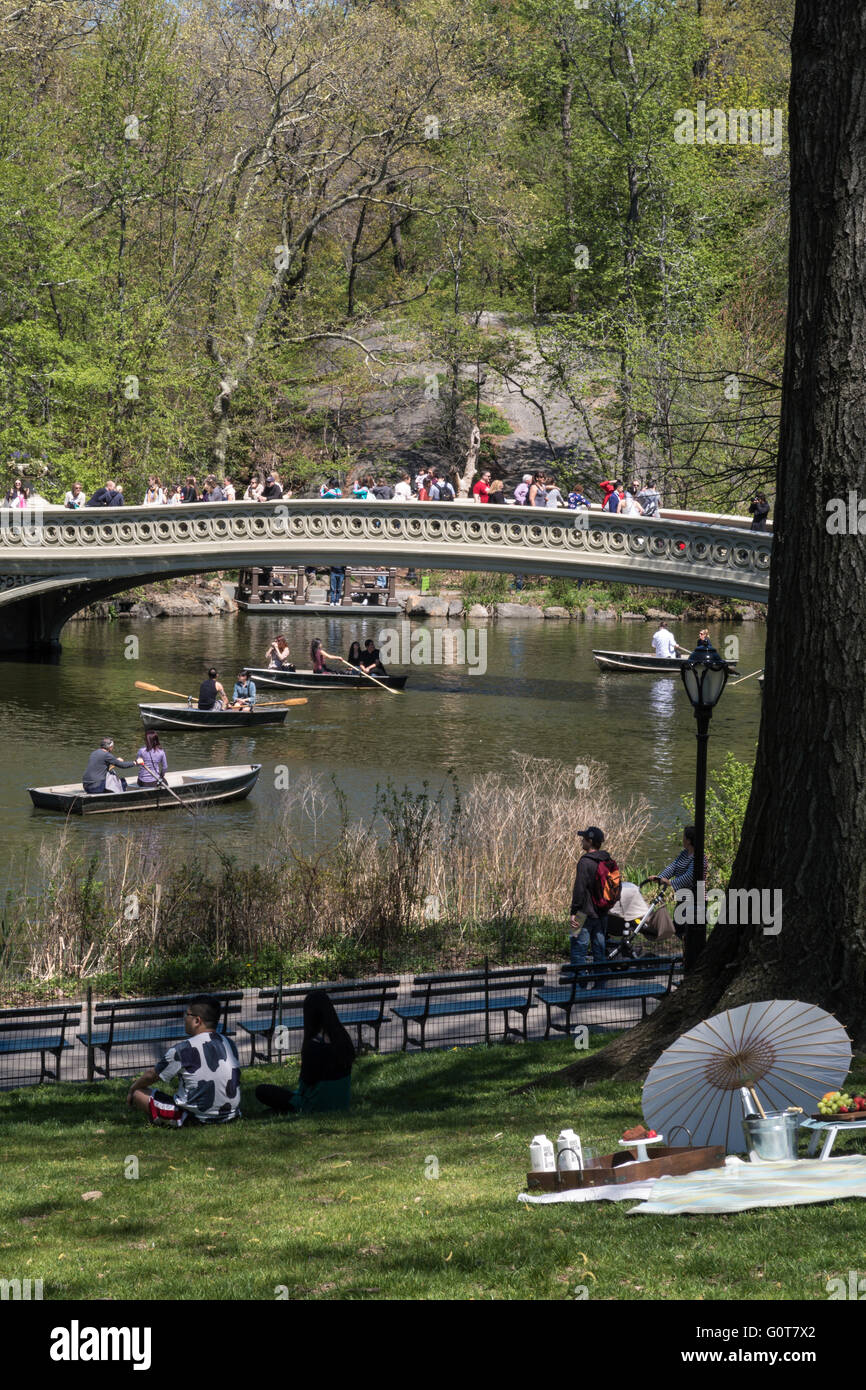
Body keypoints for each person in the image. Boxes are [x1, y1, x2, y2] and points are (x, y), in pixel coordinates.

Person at [127, 994, 241, 1128]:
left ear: (197, 1021)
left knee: (138, 1094)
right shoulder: (229, 1044)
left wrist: (132, 1088)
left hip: (195, 1118)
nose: (184, 1018)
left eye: (187, 1014)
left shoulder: (182, 1049)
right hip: (231, 1115)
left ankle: (170, 1119)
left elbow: (152, 1075)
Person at [255, 990, 354, 1115]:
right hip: (341, 1103)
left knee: (262, 1091)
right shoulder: (343, 1038)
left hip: (313, 1105)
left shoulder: (313, 1045)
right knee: (272, 1108)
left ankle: (283, 1111)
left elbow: (306, 1082)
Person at [569, 826, 620, 970]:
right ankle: (600, 985)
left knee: (577, 951)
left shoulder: (584, 862)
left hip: (582, 914)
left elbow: (579, 890)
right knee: (599, 952)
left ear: (590, 841)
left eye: (584, 838)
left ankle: (578, 987)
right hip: (602, 913)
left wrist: (573, 912)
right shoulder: (607, 859)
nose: (582, 841)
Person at [648, 826, 709, 893]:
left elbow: (688, 877)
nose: (682, 839)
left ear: (688, 841)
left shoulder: (700, 858)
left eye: (684, 837)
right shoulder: (684, 853)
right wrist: (659, 878)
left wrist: (670, 883)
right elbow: (672, 867)